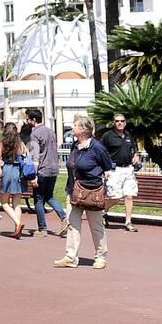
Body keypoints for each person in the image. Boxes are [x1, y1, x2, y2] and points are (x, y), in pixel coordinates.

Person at [54, 115, 115, 270]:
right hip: (74, 191)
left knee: (96, 225)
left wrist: (107, 188)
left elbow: (108, 168)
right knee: (72, 224)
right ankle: (70, 257)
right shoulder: (75, 145)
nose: (72, 128)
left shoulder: (97, 148)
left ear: (83, 129)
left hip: (92, 192)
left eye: (75, 125)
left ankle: (101, 257)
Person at [25, 109, 67, 238]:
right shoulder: (51, 132)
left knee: (38, 199)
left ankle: (42, 228)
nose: (26, 121)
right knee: (49, 196)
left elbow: (35, 157)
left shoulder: (34, 134)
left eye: (27, 119)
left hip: (42, 170)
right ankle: (64, 217)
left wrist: (34, 175)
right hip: (53, 169)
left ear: (33, 120)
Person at [100, 112, 140, 232]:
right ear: (113, 123)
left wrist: (136, 155)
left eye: (122, 121)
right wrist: (104, 169)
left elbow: (134, 148)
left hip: (128, 169)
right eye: (117, 121)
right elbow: (101, 153)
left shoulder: (128, 135)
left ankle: (128, 222)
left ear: (125, 123)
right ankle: (102, 211)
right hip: (114, 170)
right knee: (116, 197)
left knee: (129, 196)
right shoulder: (108, 136)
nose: (120, 123)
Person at [0, 122, 28, 238]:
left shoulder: (2, 144)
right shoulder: (20, 144)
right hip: (19, 172)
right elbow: (26, 156)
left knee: (4, 202)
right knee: (16, 203)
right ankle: (17, 230)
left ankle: (18, 223)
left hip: (8, 170)